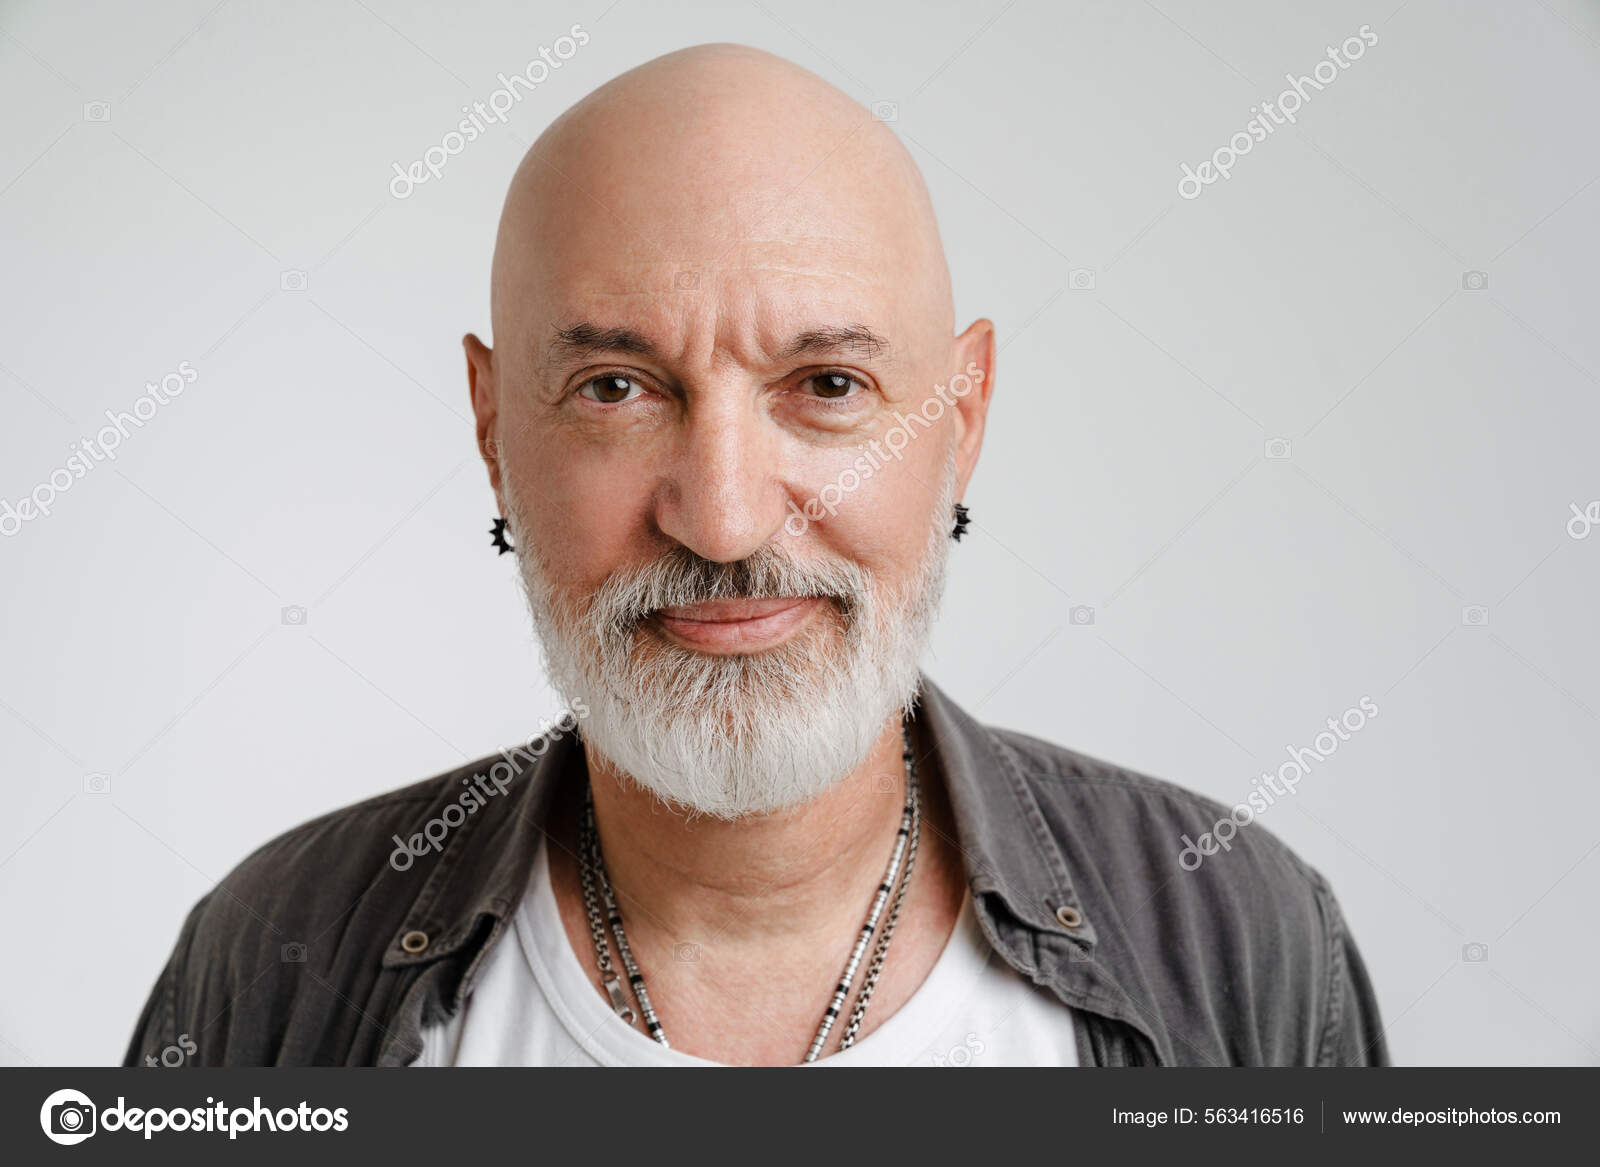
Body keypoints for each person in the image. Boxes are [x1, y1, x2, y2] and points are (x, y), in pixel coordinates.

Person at [126, 43, 1385, 1068]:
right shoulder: (274, 960)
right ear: (494, 429)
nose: (722, 521)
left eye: (827, 384)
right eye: (617, 387)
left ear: (963, 417)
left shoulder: (1241, 942)